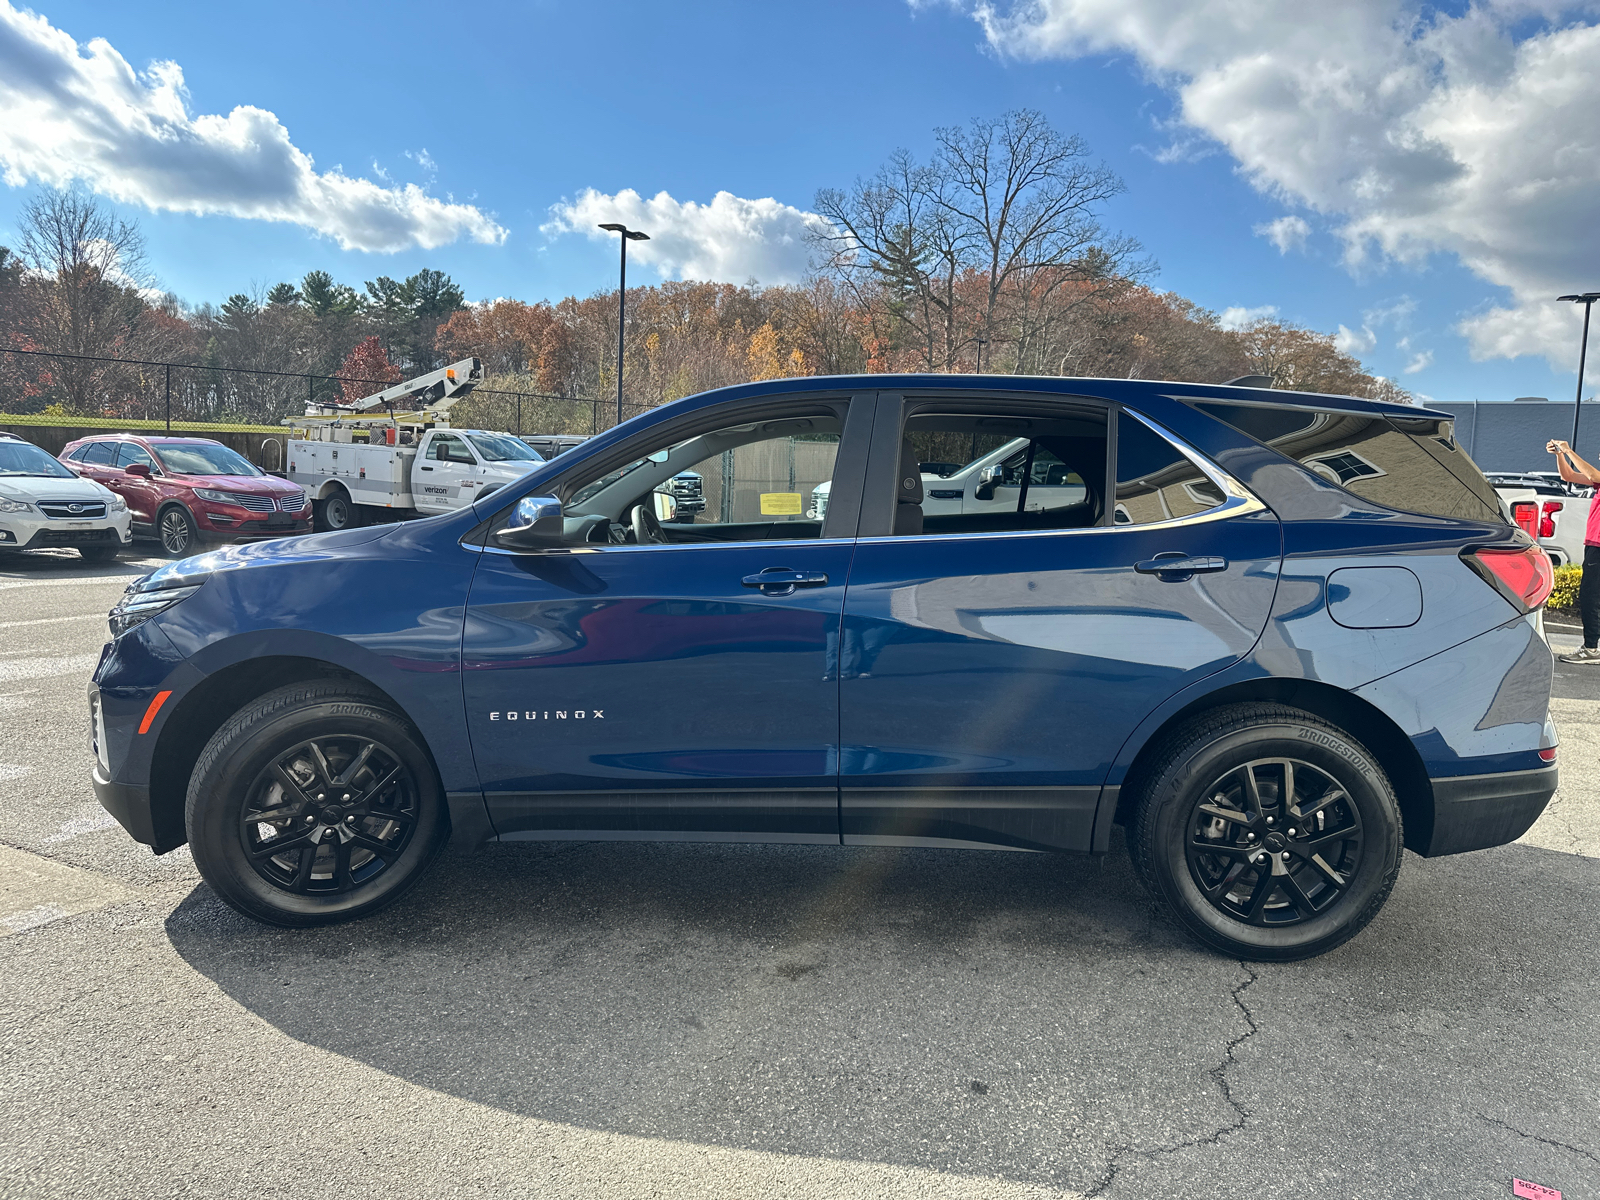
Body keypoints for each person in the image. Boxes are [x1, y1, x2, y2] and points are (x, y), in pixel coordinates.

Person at [1548, 438, 1600, 663]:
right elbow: (1568, 476)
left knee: (1589, 596)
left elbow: (1593, 475)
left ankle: (1591, 649)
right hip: (1594, 544)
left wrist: (1569, 450)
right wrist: (1560, 455)